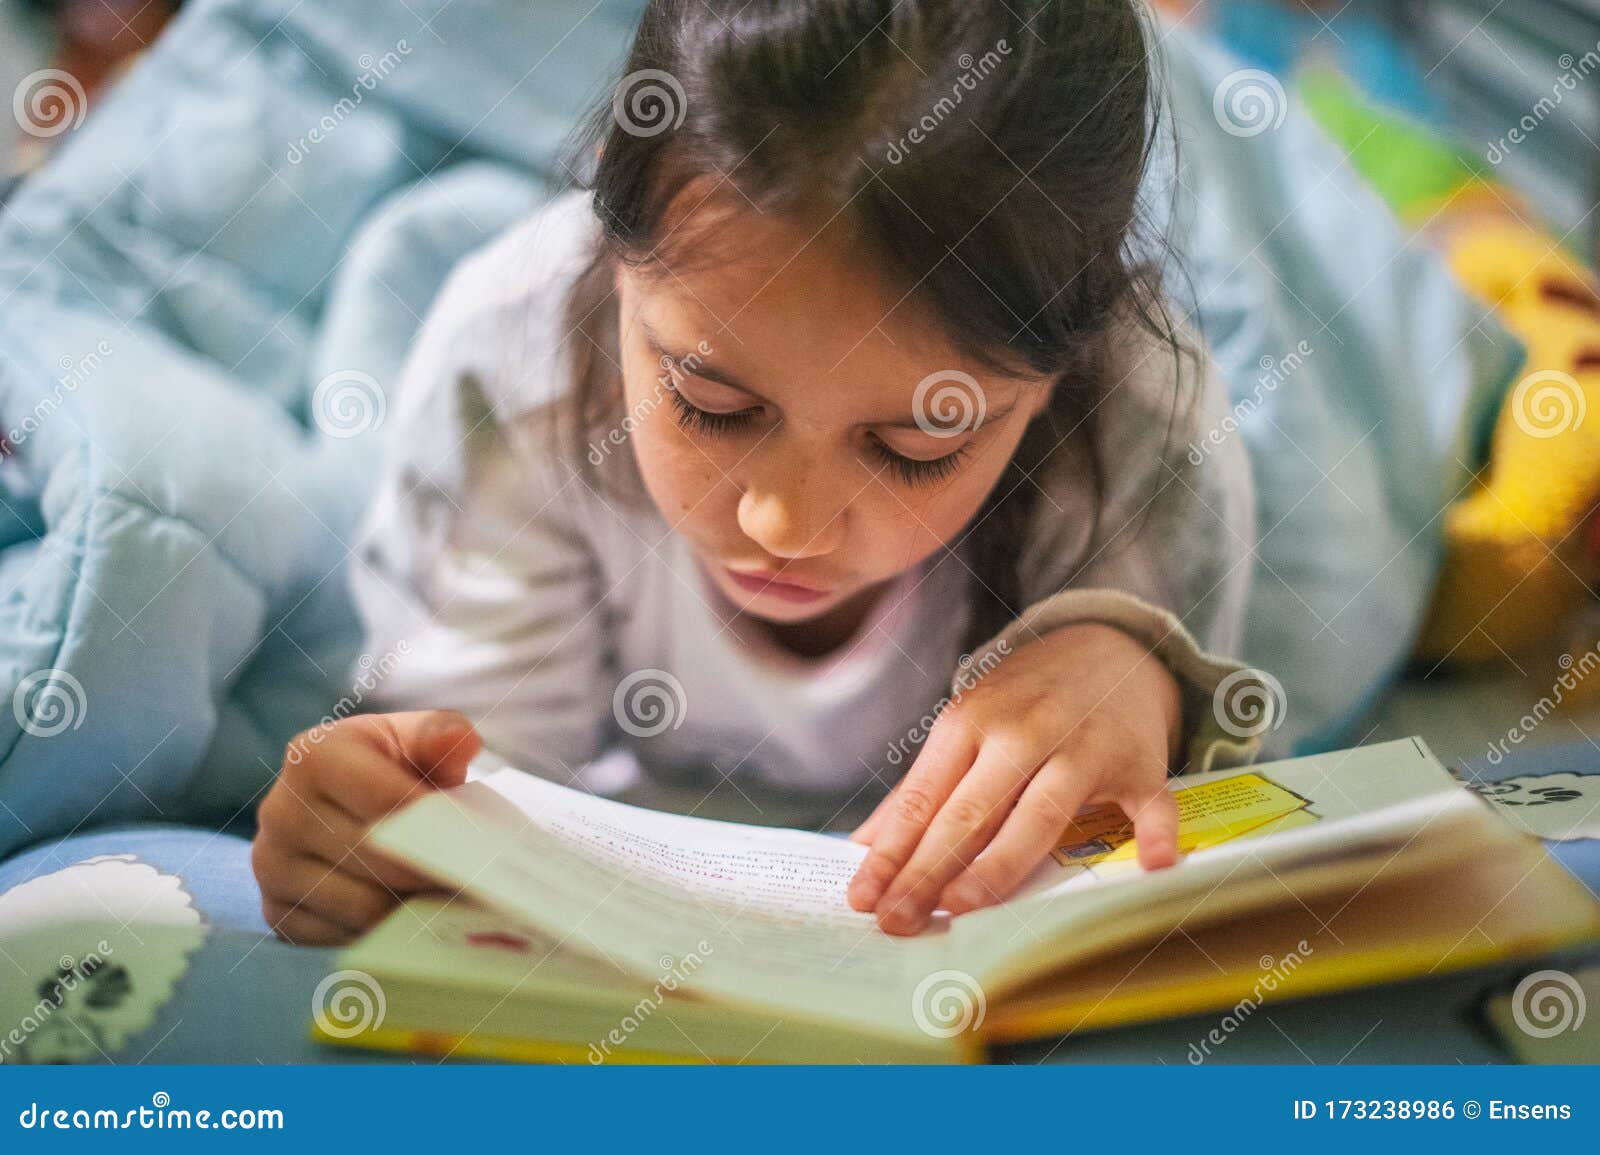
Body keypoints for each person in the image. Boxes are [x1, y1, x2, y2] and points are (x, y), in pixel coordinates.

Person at [252, 0, 1258, 946]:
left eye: (916, 446)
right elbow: (477, 778)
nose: (785, 525)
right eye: (711, 406)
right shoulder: (518, 379)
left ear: (1054, 376)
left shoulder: (1138, 421)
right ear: (614, 249)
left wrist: (1137, 667)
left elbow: (1182, 793)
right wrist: (380, 833)